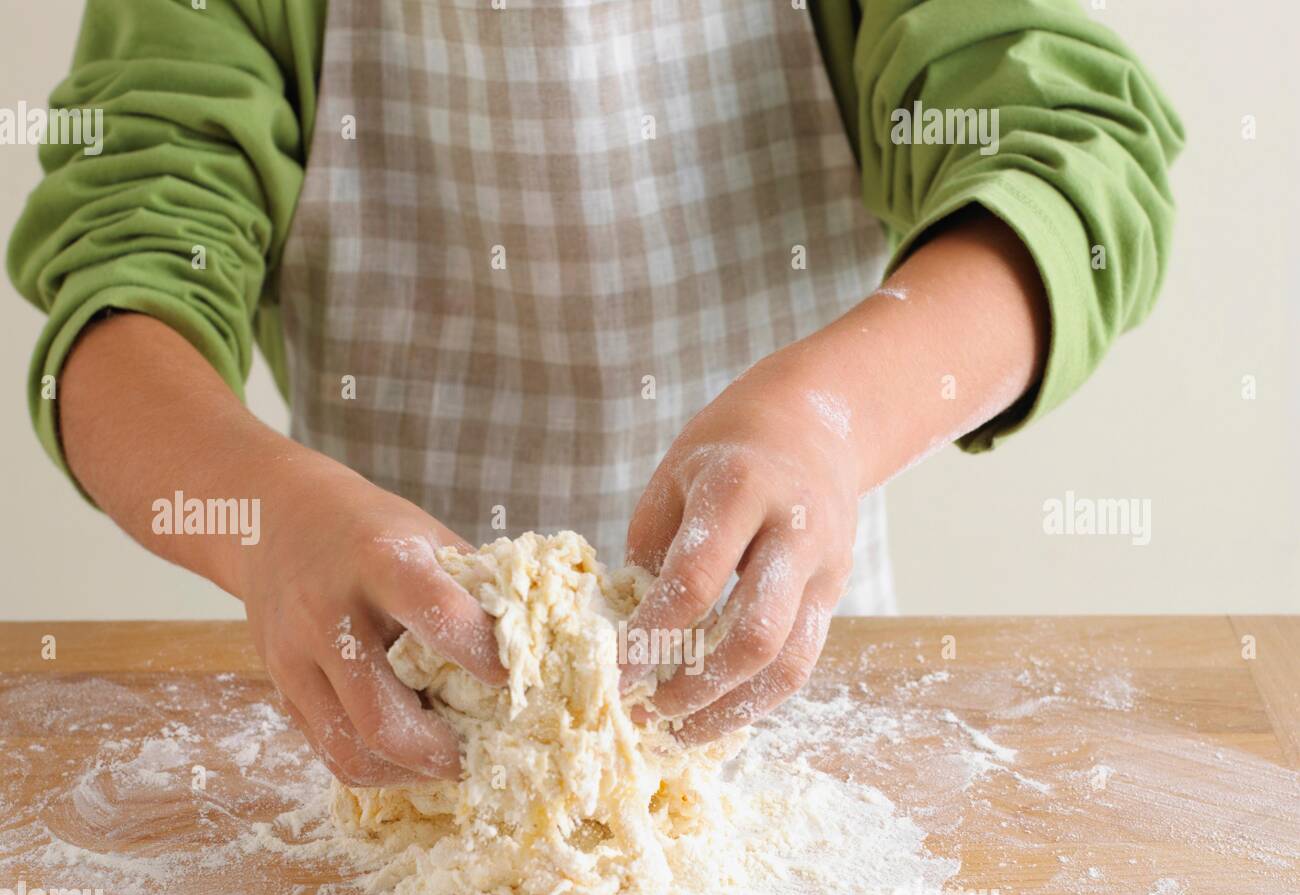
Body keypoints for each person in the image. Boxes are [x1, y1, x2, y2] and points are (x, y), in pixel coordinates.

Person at [8, 0, 1182, 782]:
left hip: (784, 707)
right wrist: (264, 522)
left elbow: (1072, 163)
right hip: (389, 718)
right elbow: (120, 301)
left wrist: (824, 421)